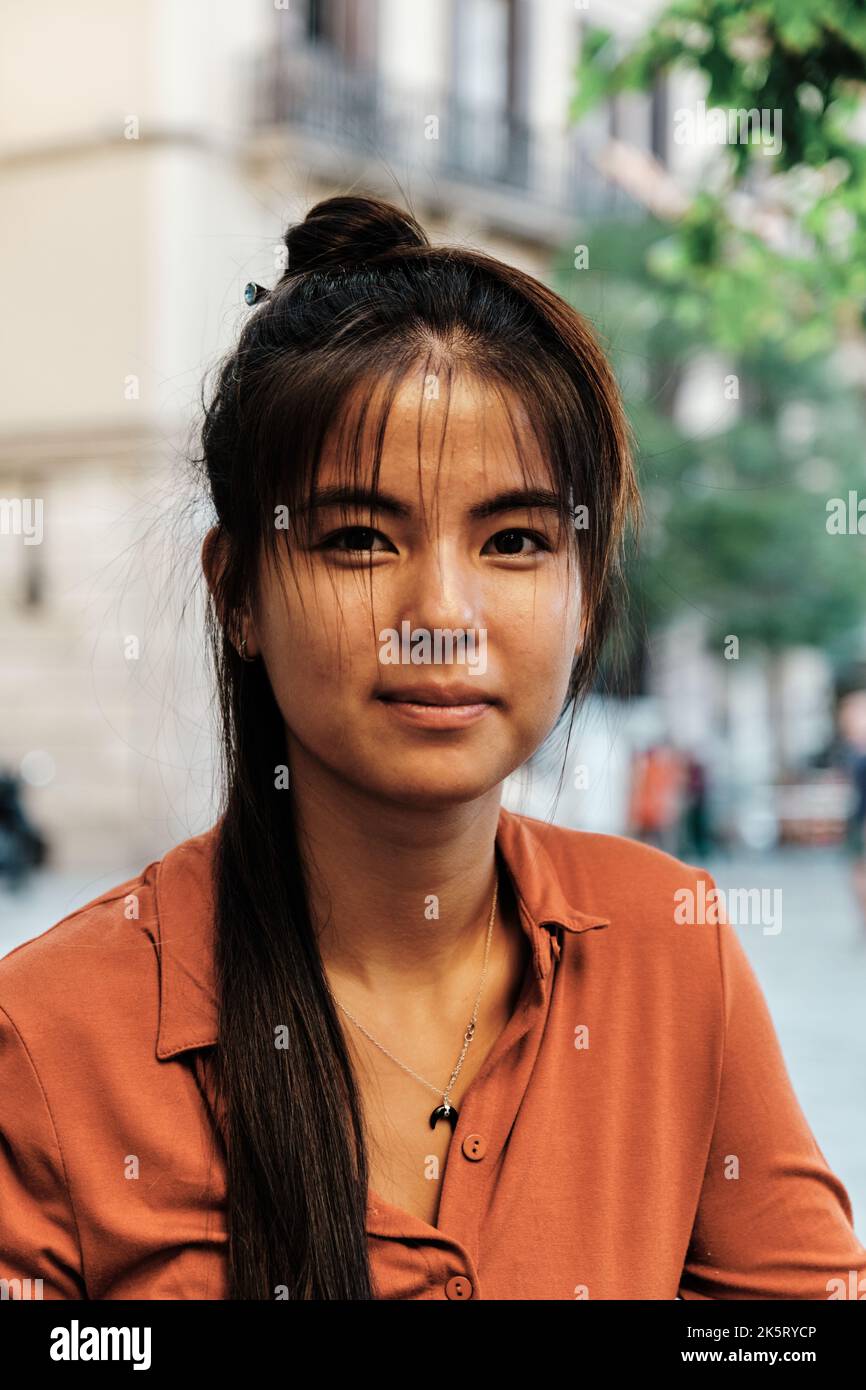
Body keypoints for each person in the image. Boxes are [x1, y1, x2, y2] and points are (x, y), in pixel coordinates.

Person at [1, 196, 864, 1301]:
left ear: (584, 596)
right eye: (358, 539)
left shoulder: (672, 946)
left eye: (513, 540)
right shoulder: (49, 1033)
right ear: (240, 594)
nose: (439, 613)